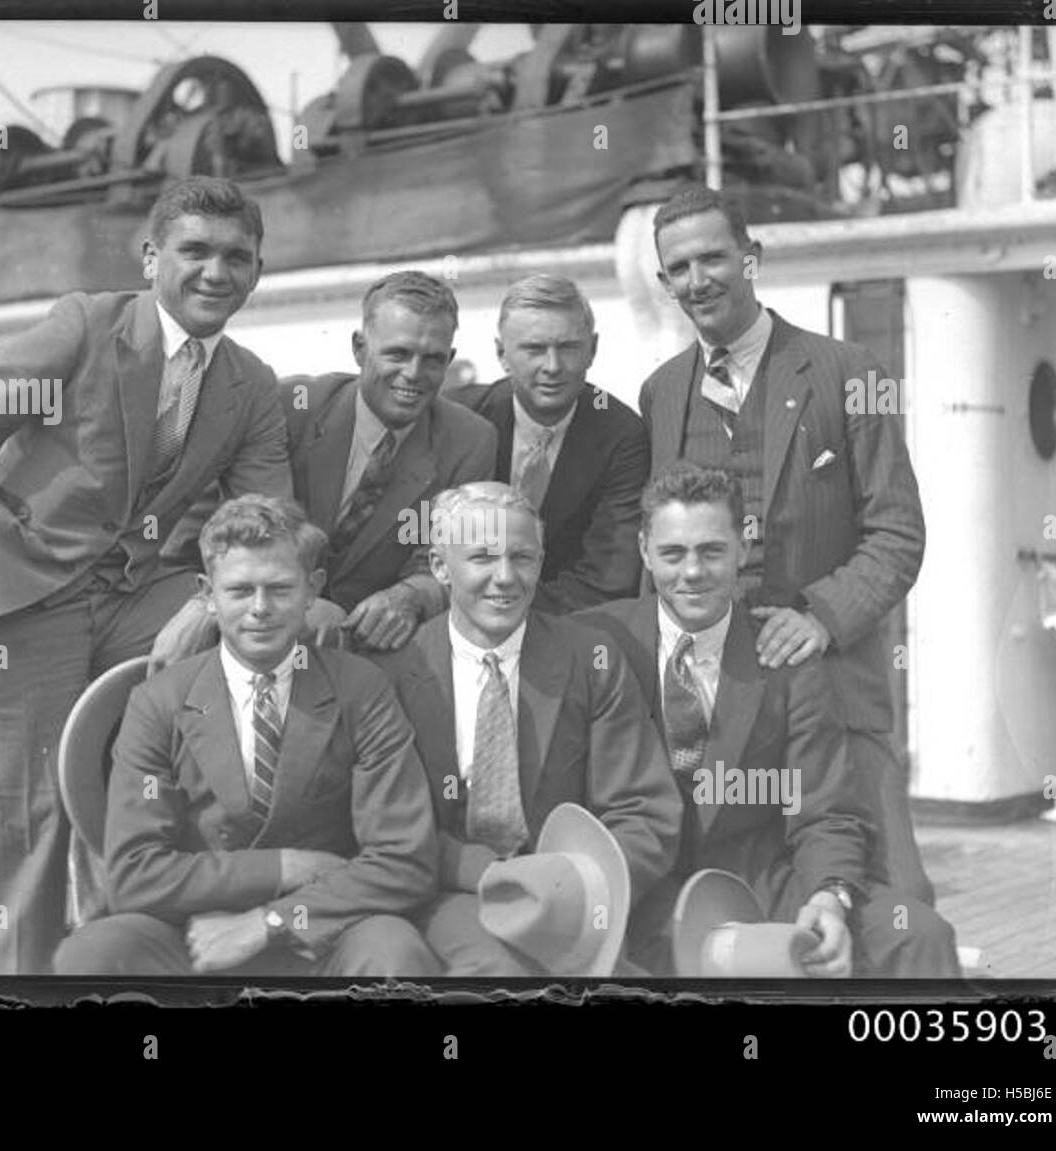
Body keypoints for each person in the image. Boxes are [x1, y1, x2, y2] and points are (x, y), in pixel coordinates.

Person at [0, 177, 292, 974]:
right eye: (194, 251)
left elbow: (267, 528)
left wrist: (207, 602)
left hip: (129, 596)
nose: (215, 271)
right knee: (15, 838)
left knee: (238, 650)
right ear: (151, 258)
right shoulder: (85, 329)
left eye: (236, 256)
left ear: (257, 271)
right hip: (14, 596)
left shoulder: (249, 386)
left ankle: (125, 953)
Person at [640, 185, 933, 903]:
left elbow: (898, 531)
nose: (698, 280)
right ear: (663, 282)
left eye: (714, 257)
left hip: (834, 690)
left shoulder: (852, 372)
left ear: (752, 257)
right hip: (713, 712)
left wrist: (820, 618)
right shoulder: (659, 393)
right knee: (725, 899)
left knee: (897, 903)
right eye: (679, 268)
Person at [577, 464, 959, 977]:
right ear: (645, 550)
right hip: (637, 888)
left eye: (712, 551)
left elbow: (825, 810)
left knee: (918, 934)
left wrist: (829, 896)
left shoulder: (783, 656)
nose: (692, 572)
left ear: (743, 548)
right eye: (673, 553)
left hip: (753, 882)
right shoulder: (593, 641)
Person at [54, 495, 440, 977]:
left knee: (395, 954)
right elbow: (135, 874)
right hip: (195, 934)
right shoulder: (158, 701)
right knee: (90, 957)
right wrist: (285, 867)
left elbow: (406, 860)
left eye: (280, 589)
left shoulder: (361, 689)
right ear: (208, 595)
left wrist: (270, 920)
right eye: (239, 591)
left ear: (312, 591)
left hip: (326, 926)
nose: (260, 609)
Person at [373, 481, 683, 975]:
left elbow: (643, 809)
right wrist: (497, 876)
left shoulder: (591, 659)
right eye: (482, 558)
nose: (505, 578)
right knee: (507, 975)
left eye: (522, 558)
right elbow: (386, 827)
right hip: (450, 890)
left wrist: (578, 886)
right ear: (439, 568)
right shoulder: (393, 674)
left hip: (573, 896)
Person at [279, 271, 498, 651]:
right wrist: (299, 600)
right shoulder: (294, 407)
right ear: (359, 348)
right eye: (397, 354)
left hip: (377, 641)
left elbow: (453, 555)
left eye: (432, 359)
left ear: (450, 360)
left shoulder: (470, 439)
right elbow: (246, 521)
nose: (413, 374)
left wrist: (410, 596)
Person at [446, 274, 649, 613]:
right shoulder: (460, 418)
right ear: (502, 353)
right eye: (534, 349)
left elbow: (608, 578)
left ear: (593, 349)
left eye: (568, 348)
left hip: (568, 625)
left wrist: (502, 611)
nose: (552, 367)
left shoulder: (622, 435)